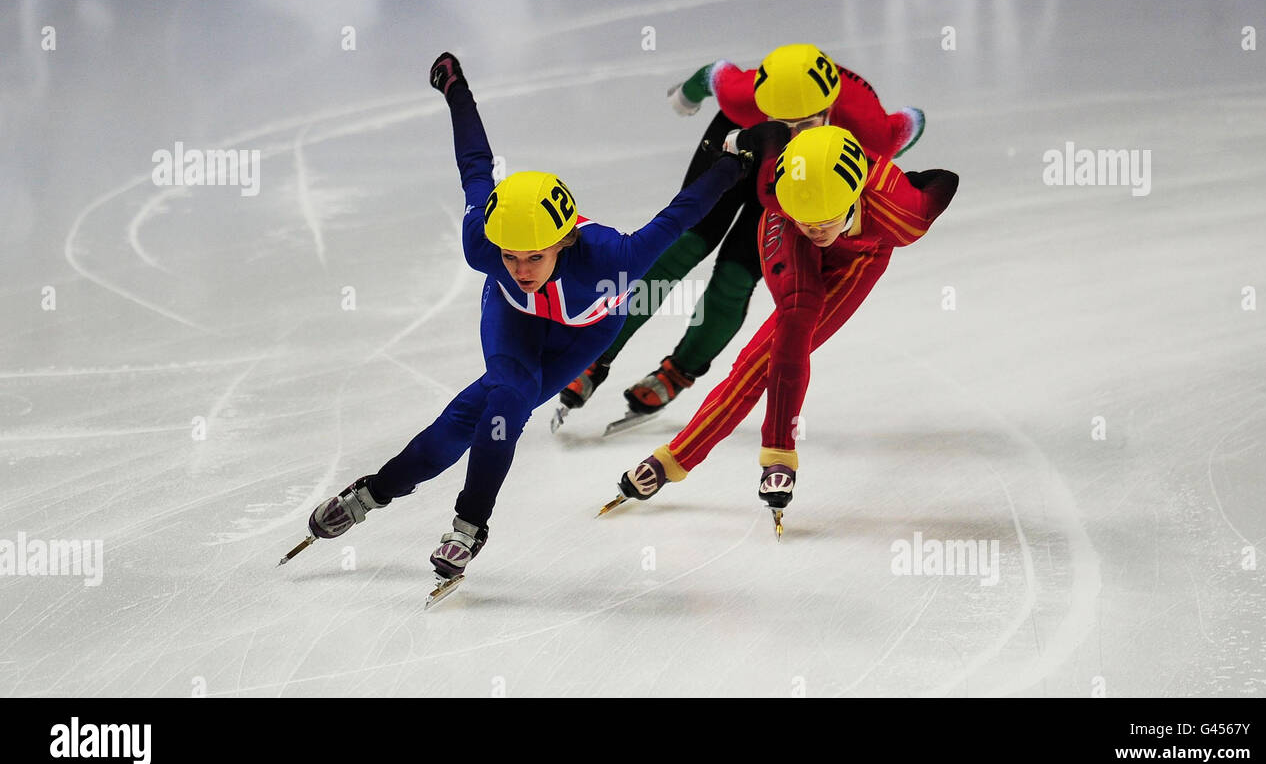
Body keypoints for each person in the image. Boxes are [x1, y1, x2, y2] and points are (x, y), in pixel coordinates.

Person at [284, 52, 785, 590]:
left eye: (534, 257)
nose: (521, 268)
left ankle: (433, 513)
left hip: (587, 331)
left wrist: (738, 163)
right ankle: (395, 502)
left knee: (490, 410)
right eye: (510, 256)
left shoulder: (614, 259)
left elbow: (683, 210)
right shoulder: (485, 245)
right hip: (512, 320)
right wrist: (455, 89)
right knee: (493, 406)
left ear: (564, 240)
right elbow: (475, 167)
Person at [609, 125, 959, 534]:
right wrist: (740, 141)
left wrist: (906, 182)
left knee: (772, 355)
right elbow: (770, 135)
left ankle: (706, 456)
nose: (817, 231)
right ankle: (678, 460)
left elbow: (944, 181)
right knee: (774, 344)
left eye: (824, 222)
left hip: (861, 258)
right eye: (809, 221)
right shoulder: (780, 192)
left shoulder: (904, 215)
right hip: (782, 230)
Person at [559, 43, 925, 427]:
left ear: (830, 112)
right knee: (676, 250)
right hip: (742, 145)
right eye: (780, 123)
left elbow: (908, 125)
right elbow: (713, 75)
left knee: (735, 276)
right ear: (763, 108)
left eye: (803, 125)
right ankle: (597, 351)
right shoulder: (742, 95)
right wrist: (688, 93)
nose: (787, 137)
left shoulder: (866, 124)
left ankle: (679, 371)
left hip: (803, 181)